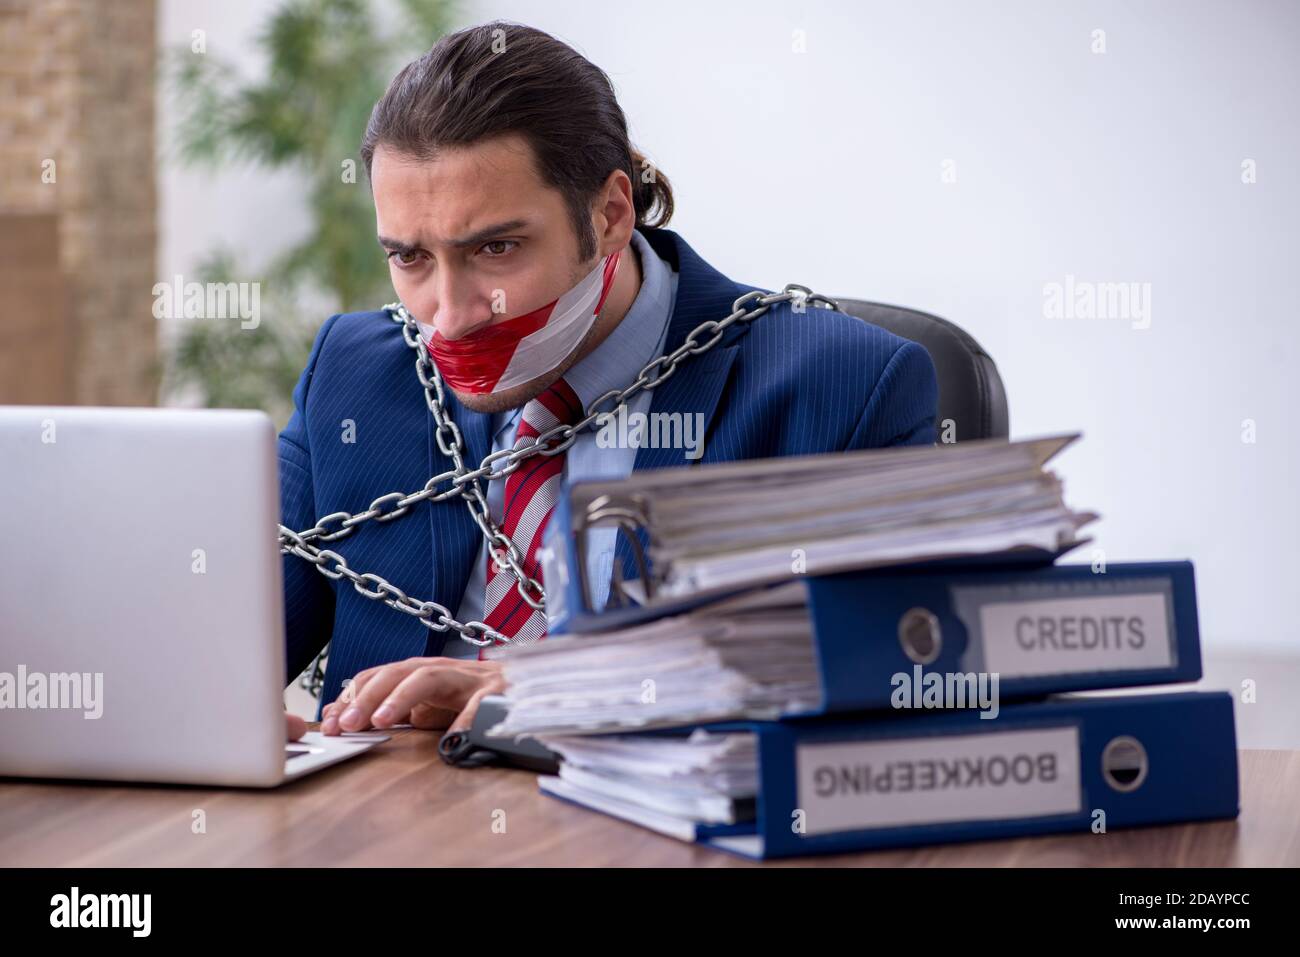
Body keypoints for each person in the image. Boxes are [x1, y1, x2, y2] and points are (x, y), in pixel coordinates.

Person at [277, 21, 938, 741]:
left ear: (611, 214)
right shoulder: (355, 373)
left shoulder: (842, 387)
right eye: (409, 258)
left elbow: (900, 664)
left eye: (496, 248)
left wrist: (563, 682)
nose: (451, 316)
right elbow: (215, 638)